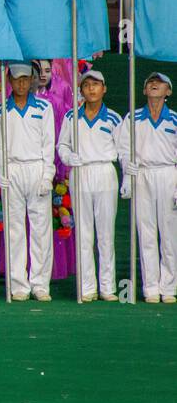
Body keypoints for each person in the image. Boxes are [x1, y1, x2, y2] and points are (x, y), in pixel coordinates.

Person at [0, 62, 55, 301]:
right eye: (17, 79)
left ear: (32, 80)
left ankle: (40, 284)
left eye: (26, 79)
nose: (21, 83)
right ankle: (18, 284)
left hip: (36, 167)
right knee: (15, 230)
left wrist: (47, 175)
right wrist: (0, 172)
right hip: (12, 169)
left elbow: (49, 143)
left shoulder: (43, 108)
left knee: (40, 230)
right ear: (9, 79)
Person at [57, 69, 121, 302]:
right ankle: (86, 287)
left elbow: (124, 150)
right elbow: (62, 145)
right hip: (80, 171)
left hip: (104, 171)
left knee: (105, 233)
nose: (91, 89)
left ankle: (107, 286)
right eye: (87, 85)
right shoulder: (71, 117)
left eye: (96, 85)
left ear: (104, 88)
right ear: (81, 90)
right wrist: (67, 157)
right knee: (84, 232)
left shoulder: (113, 118)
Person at [118, 71, 177, 304]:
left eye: (160, 83)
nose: (154, 85)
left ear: (168, 92)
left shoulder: (174, 119)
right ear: (143, 90)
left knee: (169, 233)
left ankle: (169, 286)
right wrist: (127, 172)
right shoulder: (133, 117)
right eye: (150, 82)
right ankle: (151, 287)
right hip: (142, 174)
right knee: (146, 232)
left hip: (168, 173)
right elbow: (123, 148)